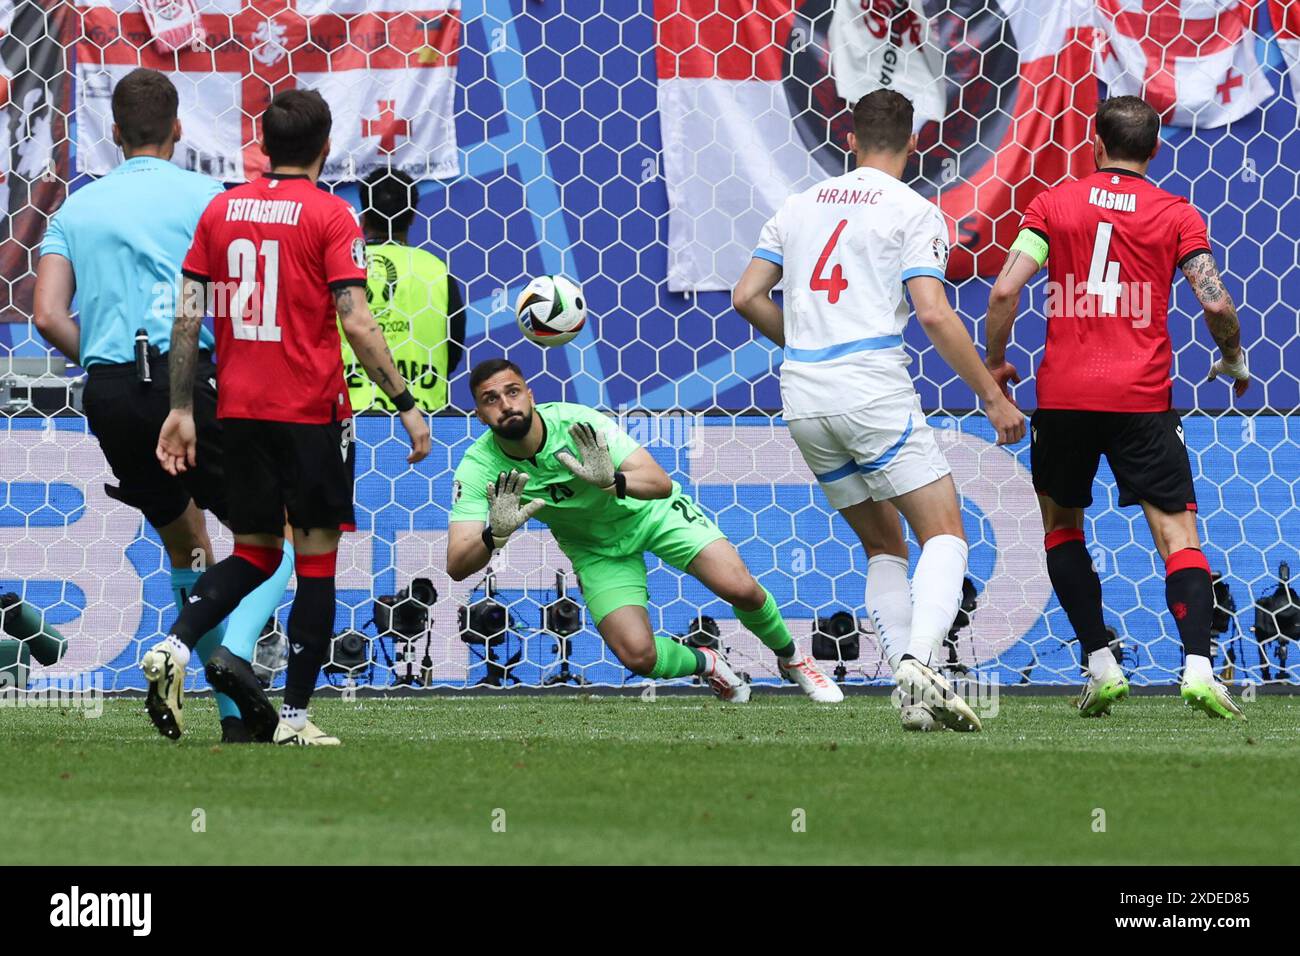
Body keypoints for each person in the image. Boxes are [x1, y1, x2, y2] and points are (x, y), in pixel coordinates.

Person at [733, 89, 1024, 732]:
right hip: (871, 391)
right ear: (914, 143)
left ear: (849, 140)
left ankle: (912, 697)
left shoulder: (798, 205)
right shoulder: (915, 211)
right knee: (945, 532)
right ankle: (921, 662)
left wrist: (807, 344)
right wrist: (991, 394)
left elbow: (747, 294)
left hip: (804, 396)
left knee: (882, 545)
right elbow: (932, 312)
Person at [147, 89, 431, 745]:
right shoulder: (332, 216)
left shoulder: (219, 211)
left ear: (263, 146)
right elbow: (356, 319)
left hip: (239, 412)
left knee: (251, 552)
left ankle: (178, 644)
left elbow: (188, 313)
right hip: (309, 415)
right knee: (315, 565)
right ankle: (296, 718)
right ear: (326, 148)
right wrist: (408, 406)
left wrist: (182, 408)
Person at [32, 68, 293, 744]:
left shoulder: (75, 209)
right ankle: (232, 652)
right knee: (276, 535)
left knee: (187, 541)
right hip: (194, 382)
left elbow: (45, 314)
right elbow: (240, 301)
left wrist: (107, 353)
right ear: (178, 129)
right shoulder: (212, 197)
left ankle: (237, 721)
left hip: (112, 391)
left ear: (114, 134)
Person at [984, 95, 1250, 720]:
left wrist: (996, 366)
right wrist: (1233, 357)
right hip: (1141, 400)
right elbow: (1215, 303)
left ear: (1094, 144)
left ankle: (1101, 663)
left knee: (1062, 528)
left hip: (1066, 400)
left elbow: (1003, 290)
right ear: (1154, 150)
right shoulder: (1177, 214)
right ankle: (1198, 670)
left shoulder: (1052, 205)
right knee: (1177, 535)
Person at [446, 358, 843, 703]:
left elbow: (659, 482)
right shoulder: (478, 466)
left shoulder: (577, 424)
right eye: (490, 399)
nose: (505, 404)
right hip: (594, 548)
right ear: (480, 415)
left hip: (651, 515)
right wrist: (494, 536)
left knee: (740, 588)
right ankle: (708, 662)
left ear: (530, 395)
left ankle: (792, 658)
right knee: (639, 656)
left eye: (512, 392)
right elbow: (457, 565)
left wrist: (611, 481)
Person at [342, 168, 466, 413]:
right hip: (426, 417)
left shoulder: (344, 266)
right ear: (412, 217)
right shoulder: (436, 270)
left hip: (350, 414)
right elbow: (453, 347)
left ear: (363, 216)